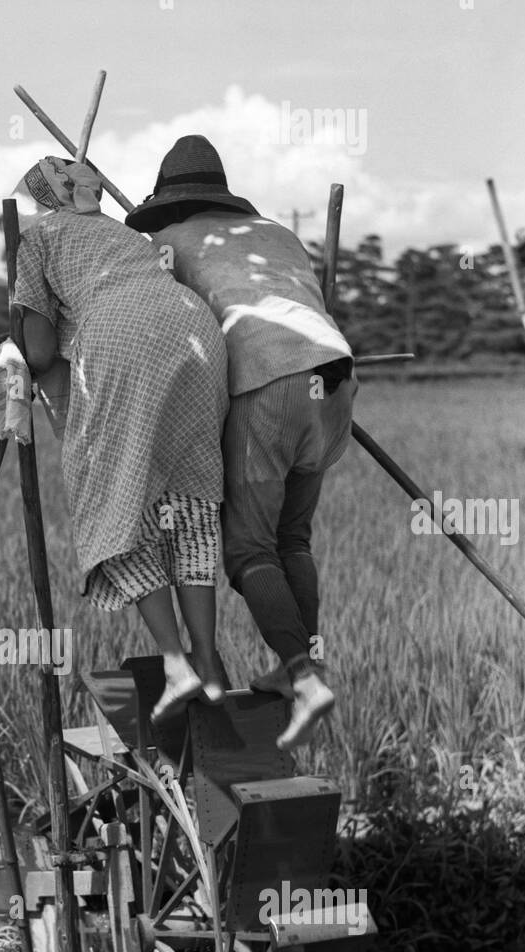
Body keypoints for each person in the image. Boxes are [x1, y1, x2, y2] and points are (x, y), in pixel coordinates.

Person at [126, 136, 357, 750]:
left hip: (265, 382)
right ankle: (295, 664)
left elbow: (166, 329)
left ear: (168, 202)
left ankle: (305, 679)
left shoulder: (166, 246)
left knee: (249, 551)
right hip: (334, 376)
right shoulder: (279, 235)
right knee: (293, 538)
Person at [12, 155, 230, 722]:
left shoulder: (38, 238)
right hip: (194, 329)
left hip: (122, 335)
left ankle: (176, 663)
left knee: (113, 494)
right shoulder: (123, 232)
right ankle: (208, 658)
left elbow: (36, 352)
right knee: (187, 496)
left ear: (41, 200)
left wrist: (29, 328)